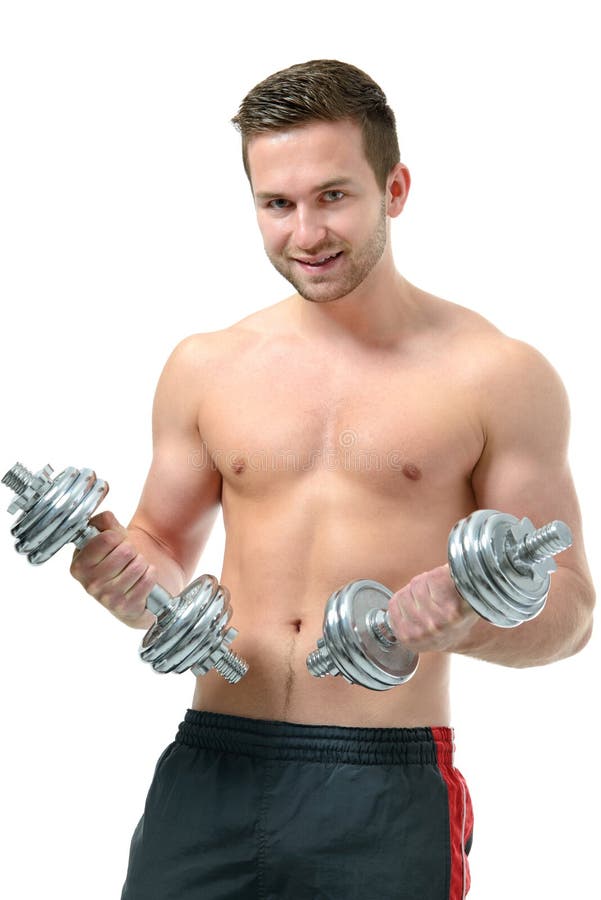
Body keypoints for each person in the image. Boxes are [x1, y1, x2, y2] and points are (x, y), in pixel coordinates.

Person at [70, 59, 595, 899]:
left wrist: (463, 627)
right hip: (210, 762)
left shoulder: (496, 375)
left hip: (382, 783)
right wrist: (126, 578)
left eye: (333, 196)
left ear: (395, 188)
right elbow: (159, 547)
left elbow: (568, 612)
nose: (305, 233)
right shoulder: (206, 366)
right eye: (276, 205)